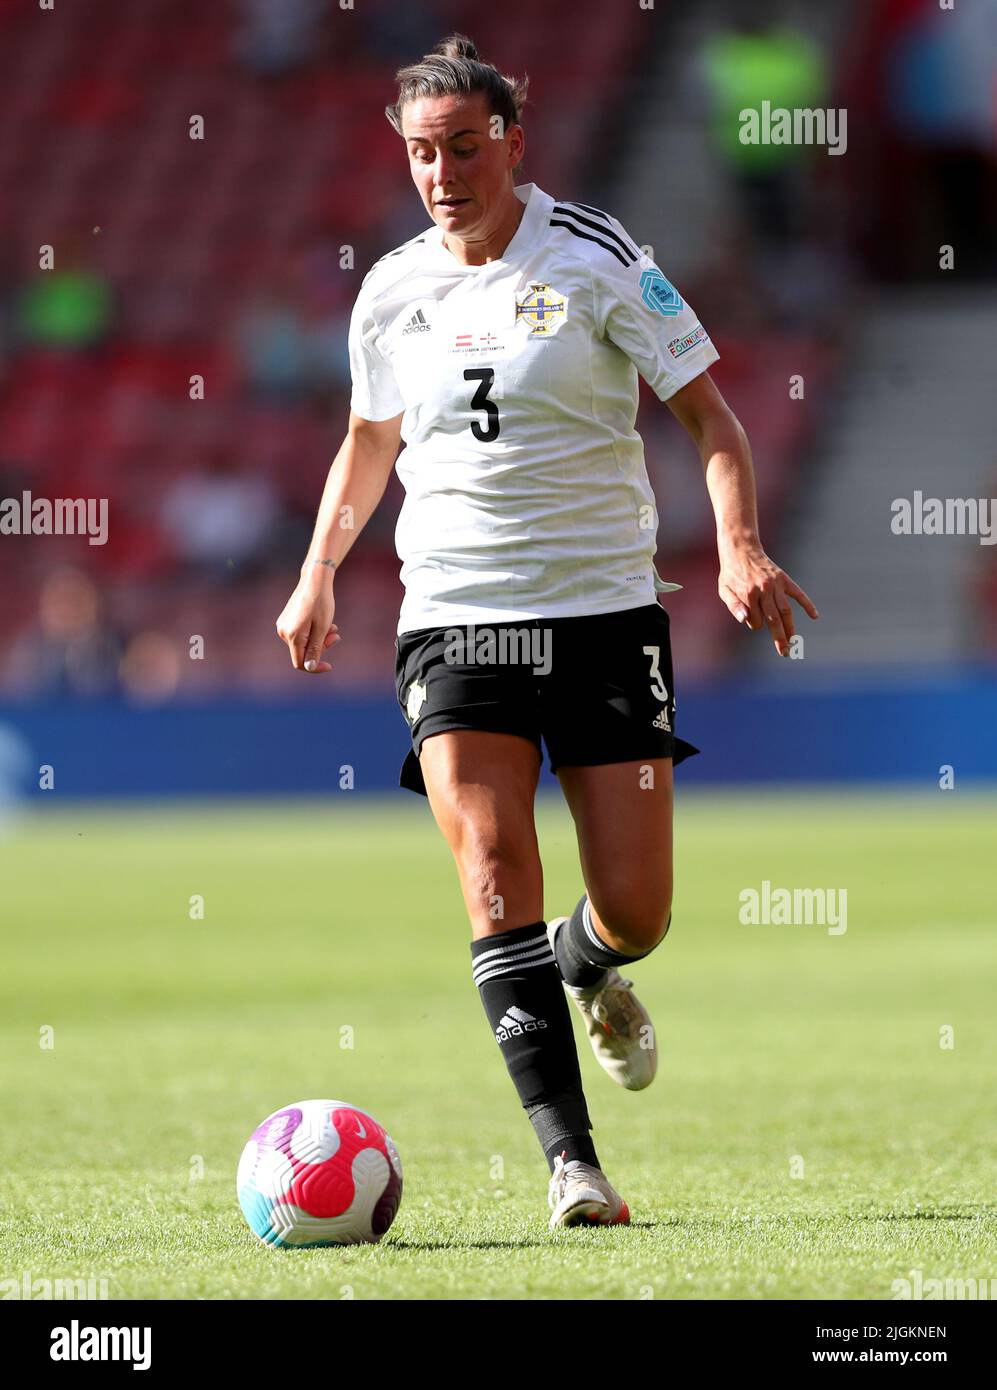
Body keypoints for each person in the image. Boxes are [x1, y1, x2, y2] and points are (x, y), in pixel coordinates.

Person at [276, 33, 818, 1229]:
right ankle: (573, 1161)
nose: (441, 172)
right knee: (489, 873)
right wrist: (319, 570)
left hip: (601, 616)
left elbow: (712, 419)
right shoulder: (390, 291)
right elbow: (368, 445)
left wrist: (735, 545)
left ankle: (588, 962)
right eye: (421, 152)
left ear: (514, 143)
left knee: (638, 911)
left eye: (464, 147)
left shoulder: (599, 258)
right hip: (453, 620)